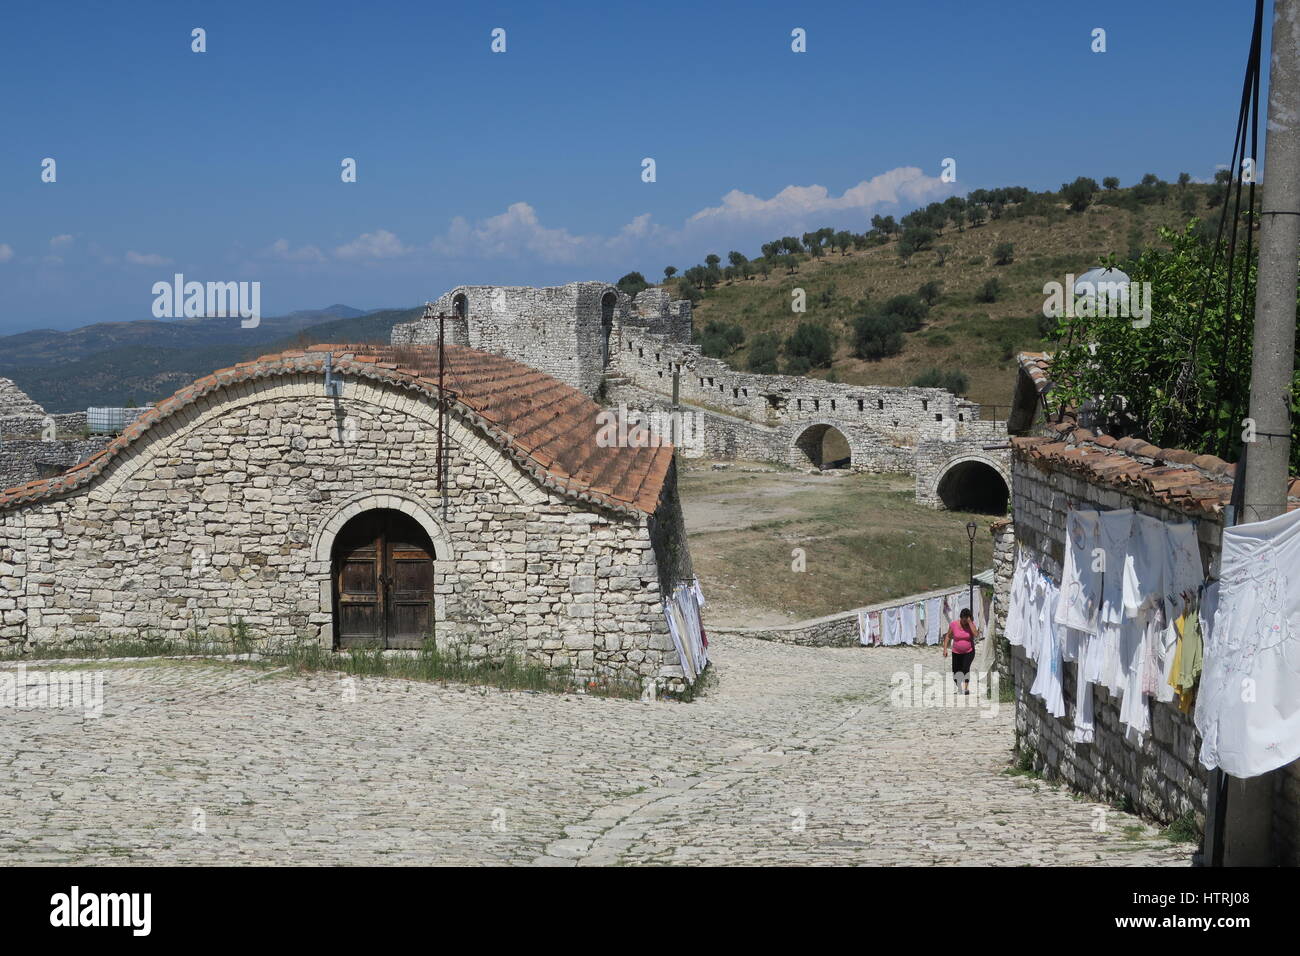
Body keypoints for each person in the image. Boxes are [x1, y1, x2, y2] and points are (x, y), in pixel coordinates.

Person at [942, 607, 978, 694]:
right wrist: (945, 649)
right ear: (960, 618)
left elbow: (976, 634)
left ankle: (965, 688)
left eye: (966, 620)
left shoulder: (970, 625)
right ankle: (958, 686)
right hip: (956, 652)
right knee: (955, 670)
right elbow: (948, 636)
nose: (964, 622)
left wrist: (970, 623)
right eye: (963, 620)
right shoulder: (954, 625)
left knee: (965, 668)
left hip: (969, 651)